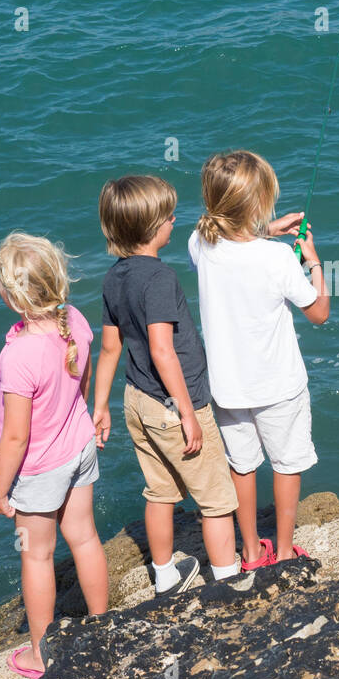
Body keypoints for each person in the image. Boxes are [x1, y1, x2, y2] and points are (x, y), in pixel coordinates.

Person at [93, 175, 241, 596]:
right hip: (175, 404)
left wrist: (99, 406)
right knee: (216, 501)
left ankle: (165, 576)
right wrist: (188, 413)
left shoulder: (113, 278)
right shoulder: (160, 279)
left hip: (136, 400)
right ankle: (227, 584)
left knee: (160, 491)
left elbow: (109, 348)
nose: (175, 219)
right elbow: (162, 350)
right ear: (152, 228)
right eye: (168, 215)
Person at [188, 150, 329, 569]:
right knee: (286, 464)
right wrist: (312, 259)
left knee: (242, 467)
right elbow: (319, 312)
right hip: (278, 387)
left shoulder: (200, 242)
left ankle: (250, 551)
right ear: (257, 204)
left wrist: (266, 230)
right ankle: (284, 551)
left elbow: (233, 243)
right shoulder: (277, 259)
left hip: (228, 389)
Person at [0, 232, 108, 679]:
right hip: (79, 447)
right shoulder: (73, 320)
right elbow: (83, 376)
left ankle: (41, 655)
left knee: (37, 557)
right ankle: (101, 628)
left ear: (11, 296)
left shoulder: (17, 356)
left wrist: (0, 489)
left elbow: (16, 438)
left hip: (38, 469)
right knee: (85, 537)